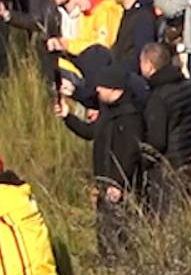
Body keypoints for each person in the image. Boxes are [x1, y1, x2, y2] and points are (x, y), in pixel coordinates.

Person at [61, 45, 144, 258]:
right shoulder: (107, 112)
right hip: (103, 182)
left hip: (118, 187)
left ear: (116, 89)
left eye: (102, 86)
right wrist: (67, 116)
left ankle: (122, 271)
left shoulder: (130, 118)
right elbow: (91, 132)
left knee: (121, 234)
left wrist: (119, 183)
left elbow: (130, 153)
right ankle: (109, 266)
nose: (96, 90)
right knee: (105, 234)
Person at [136, 42, 191, 208]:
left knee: (166, 216)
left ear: (149, 66)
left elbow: (157, 142)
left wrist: (140, 163)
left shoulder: (158, 97)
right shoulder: (188, 86)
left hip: (168, 166)